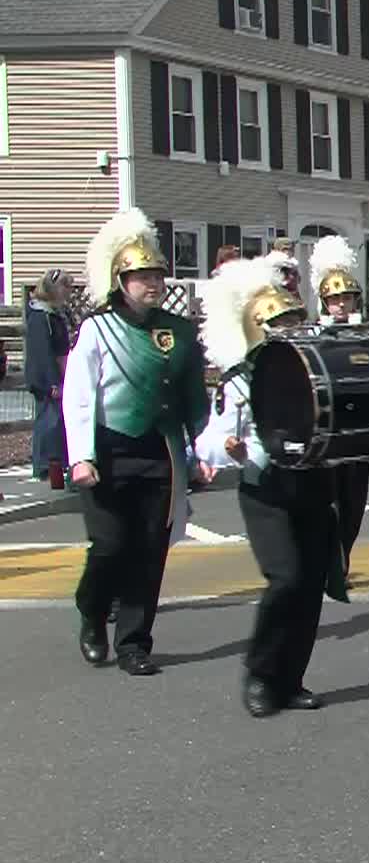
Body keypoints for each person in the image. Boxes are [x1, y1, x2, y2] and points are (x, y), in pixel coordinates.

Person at [63, 208, 215, 674]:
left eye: (156, 274)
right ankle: (92, 610)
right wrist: (81, 457)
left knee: (151, 548)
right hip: (109, 451)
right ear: (120, 280)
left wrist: (200, 452)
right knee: (109, 545)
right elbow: (80, 395)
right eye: (140, 275)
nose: (151, 282)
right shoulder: (97, 329)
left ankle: (133, 643)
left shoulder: (179, 331)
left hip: (160, 452)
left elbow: (194, 398)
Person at [197, 257, 339, 716]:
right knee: (287, 578)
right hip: (267, 491)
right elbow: (210, 441)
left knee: (311, 583)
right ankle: (261, 674)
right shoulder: (241, 381)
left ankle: (291, 678)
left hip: (314, 484)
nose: (293, 331)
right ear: (259, 329)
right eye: (280, 325)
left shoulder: (319, 375)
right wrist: (234, 450)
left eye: (296, 322)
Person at [306, 236, 369, 579]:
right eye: (335, 300)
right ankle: (329, 560)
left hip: (357, 432)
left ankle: (343, 553)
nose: (342, 306)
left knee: (354, 502)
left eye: (346, 298)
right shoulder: (313, 334)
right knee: (327, 501)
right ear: (325, 303)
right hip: (327, 432)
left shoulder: (365, 334)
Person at [25, 268, 73, 483]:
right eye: (65, 286)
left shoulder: (57, 314)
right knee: (48, 420)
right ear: (53, 289)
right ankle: (43, 465)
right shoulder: (40, 316)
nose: (68, 292)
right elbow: (42, 352)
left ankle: (57, 462)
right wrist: (52, 381)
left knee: (58, 421)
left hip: (60, 373)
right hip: (45, 377)